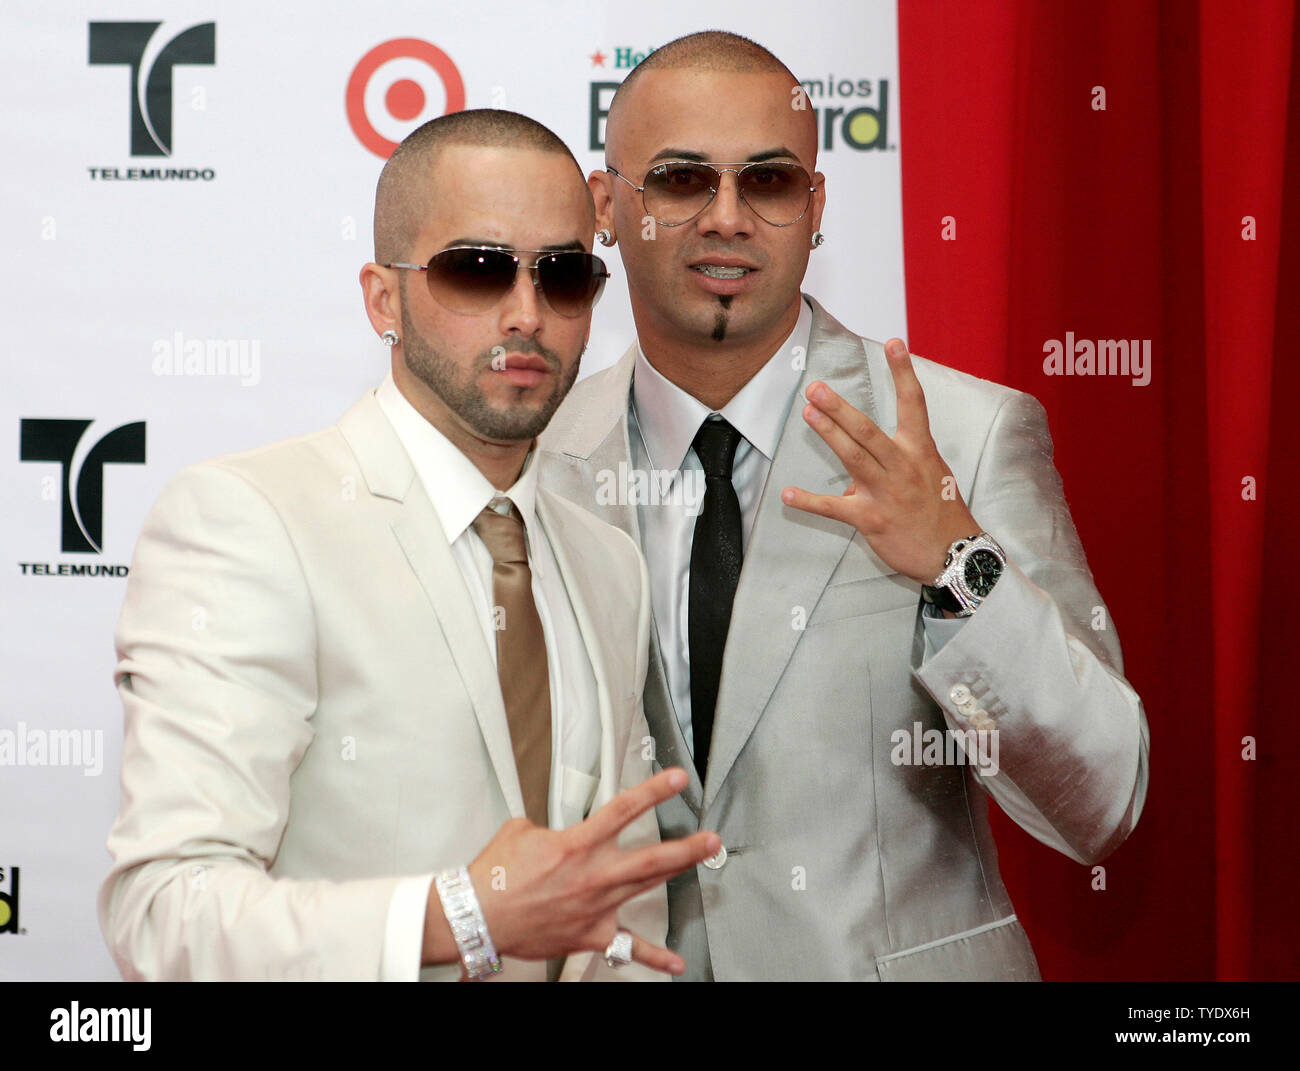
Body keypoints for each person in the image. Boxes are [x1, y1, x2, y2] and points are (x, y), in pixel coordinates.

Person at [540, 32, 1150, 980]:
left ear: (814, 207)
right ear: (606, 206)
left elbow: (1103, 798)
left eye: (770, 183)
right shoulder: (536, 458)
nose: (728, 218)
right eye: (681, 180)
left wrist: (958, 565)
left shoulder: (962, 435)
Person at [98, 109, 720, 982]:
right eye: (475, 270)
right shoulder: (251, 520)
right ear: (382, 298)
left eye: (565, 275)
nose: (526, 313)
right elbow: (167, 909)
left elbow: (620, 917)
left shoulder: (605, 562)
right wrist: (463, 914)